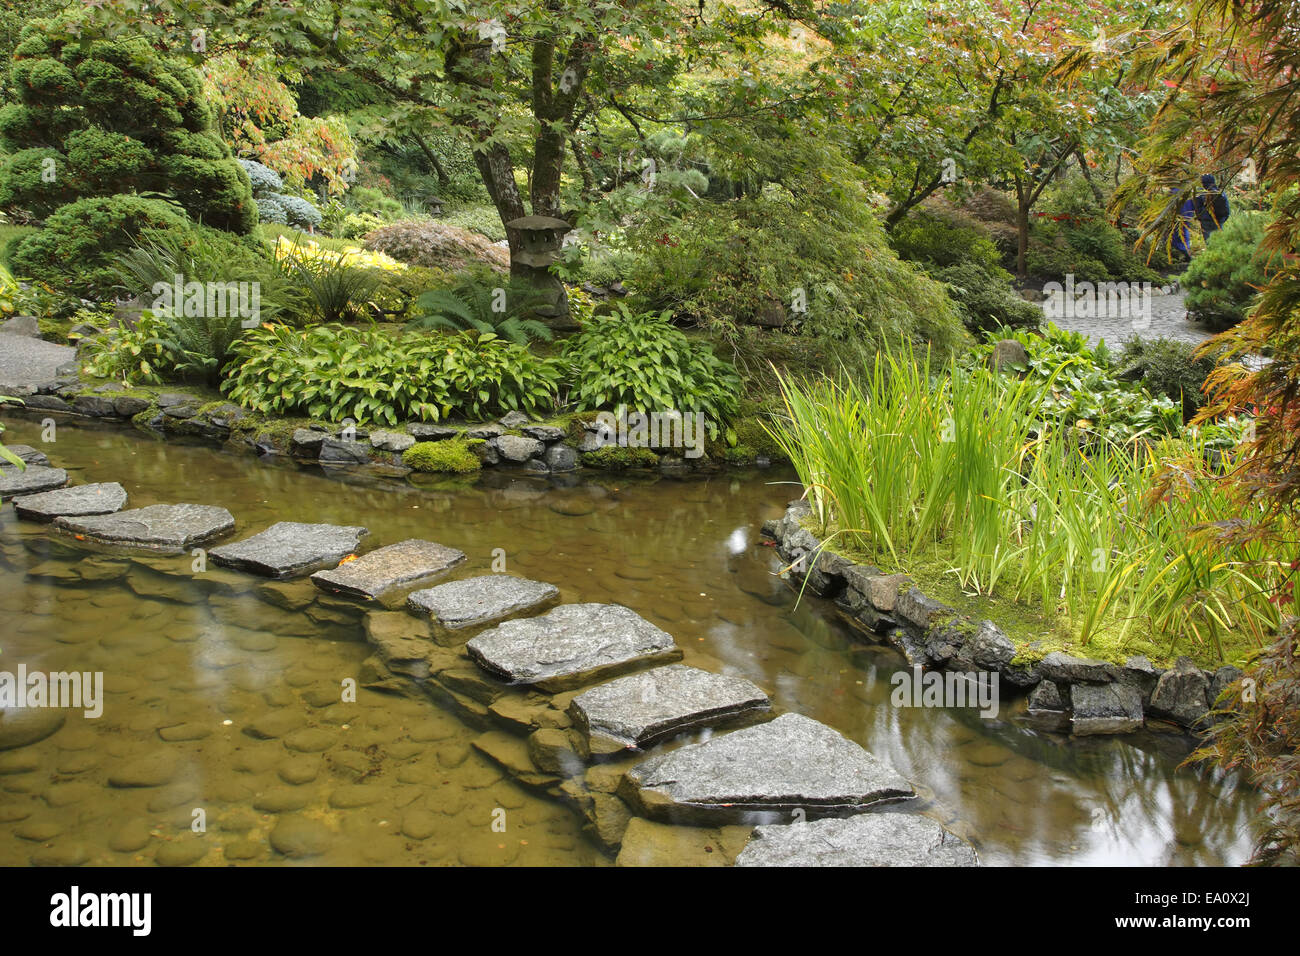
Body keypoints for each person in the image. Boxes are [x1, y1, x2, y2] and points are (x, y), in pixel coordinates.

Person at [1193, 173, 1230, 240]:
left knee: (1209, 243)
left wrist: (1201, 218)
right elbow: (1227, 208)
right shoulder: (1219, 191)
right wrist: (1223, 219)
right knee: (1220, 242)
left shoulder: (1200, 192)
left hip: (1207, 222)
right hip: (1219, 220)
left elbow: (1197, 208)